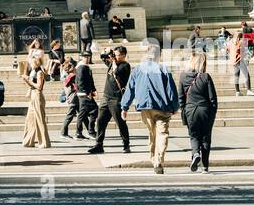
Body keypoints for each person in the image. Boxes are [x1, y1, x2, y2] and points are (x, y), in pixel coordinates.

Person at [120, 41, 180, 174]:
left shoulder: (138, 69)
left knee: (152, 133)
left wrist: (124, 107)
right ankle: (158, 160)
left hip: (145, 106)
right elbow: (171, 90)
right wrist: (175, 106)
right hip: (161, 106)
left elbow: (130, 89)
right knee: (162, 133)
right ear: (158, 55)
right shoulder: (163, 69)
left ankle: (153, 159)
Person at [179, 50, 218, 172]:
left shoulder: (183, 77)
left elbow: (181, 98)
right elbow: (213, 99)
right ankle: (205, 166)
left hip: (190, 110)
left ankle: (196, 154)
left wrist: (184, 112)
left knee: (194, 136)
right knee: (206, 138)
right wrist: (212, 113)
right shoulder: (205, 77)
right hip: (205, 110)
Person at [90, 47, 131, 154]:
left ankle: (126, 145)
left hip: (116, 99)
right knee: (100, 121)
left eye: (116, 55)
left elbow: (116, 72)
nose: (114, 57)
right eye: (114, 55)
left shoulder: (125, 66)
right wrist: (105, 52)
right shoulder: (113, 62)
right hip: (106, 97)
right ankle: (99, 145)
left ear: (123, 55)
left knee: (120, 122)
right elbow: (103, 58)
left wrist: (113, 62)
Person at [21, 53, 51, 149]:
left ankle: (44, 142)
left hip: (38, 96)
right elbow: (31, 85)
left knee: (40, 119)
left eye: (32, 62)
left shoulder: (39, 72)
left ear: (36, 63)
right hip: (33, 95)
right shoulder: (33, 72)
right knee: (30, 119)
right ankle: (28, 141)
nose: (30, 64)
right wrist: (26, 80)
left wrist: (29, 81)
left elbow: (39, 87)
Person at [228, 28, 254, 96]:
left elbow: (228, 49)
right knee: (246, 75)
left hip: (234, 60)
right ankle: (249, 90)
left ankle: (237, 91)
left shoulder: (231, 41)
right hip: (240, 60)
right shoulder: (241, 41)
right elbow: (244, 51)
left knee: (236, 75)